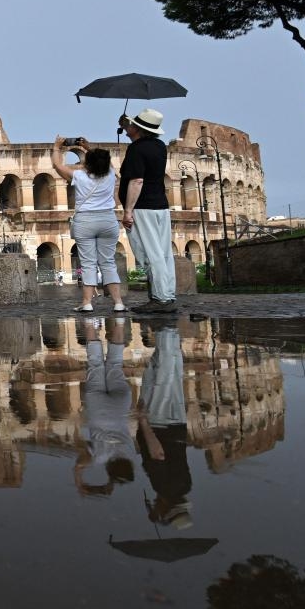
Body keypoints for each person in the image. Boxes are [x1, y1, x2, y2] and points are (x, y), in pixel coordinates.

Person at [51, 136, 126, 313]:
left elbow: (57, 166)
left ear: (88, 163)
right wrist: (88, 147)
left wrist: (56, 148)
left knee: (88, 264)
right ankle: (118, 303)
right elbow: (102, 162)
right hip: (108, 219)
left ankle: (87, 302)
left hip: (85, 220)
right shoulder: (109, 173)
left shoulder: (79, 176)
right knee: (108, 262)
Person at [118, 108, 176, 313]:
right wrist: (124, 125)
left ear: (138, 129)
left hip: (143, 206)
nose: (129, 127)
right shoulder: (160, 146)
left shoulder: (136, 150)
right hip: (161, 205)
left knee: (152, 254)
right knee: (164, 253)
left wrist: (127, 211)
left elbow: (136, 180)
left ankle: (160, 299)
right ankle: (167, 295)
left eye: (132, 125)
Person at [136, 323, 192, 528]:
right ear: (168, 509)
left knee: (172, 376)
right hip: (160, 425)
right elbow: (158, 454)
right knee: (160, 375)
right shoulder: (164, 487)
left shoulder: (185, 486)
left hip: (178, 424)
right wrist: (143, 421)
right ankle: (165, 329)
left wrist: (156, 510)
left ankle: (171, 334)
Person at [74, 316, 135, 498]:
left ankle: (120, 321)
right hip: (97, 410)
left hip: (120, 406)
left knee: (115, 364)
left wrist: (110, 484)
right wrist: (80, 482)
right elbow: (80, 464)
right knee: (95, 363)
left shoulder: (131, 454)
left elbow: (120, 471)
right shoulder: (101, 457)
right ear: (109, 470)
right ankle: (90, 322)